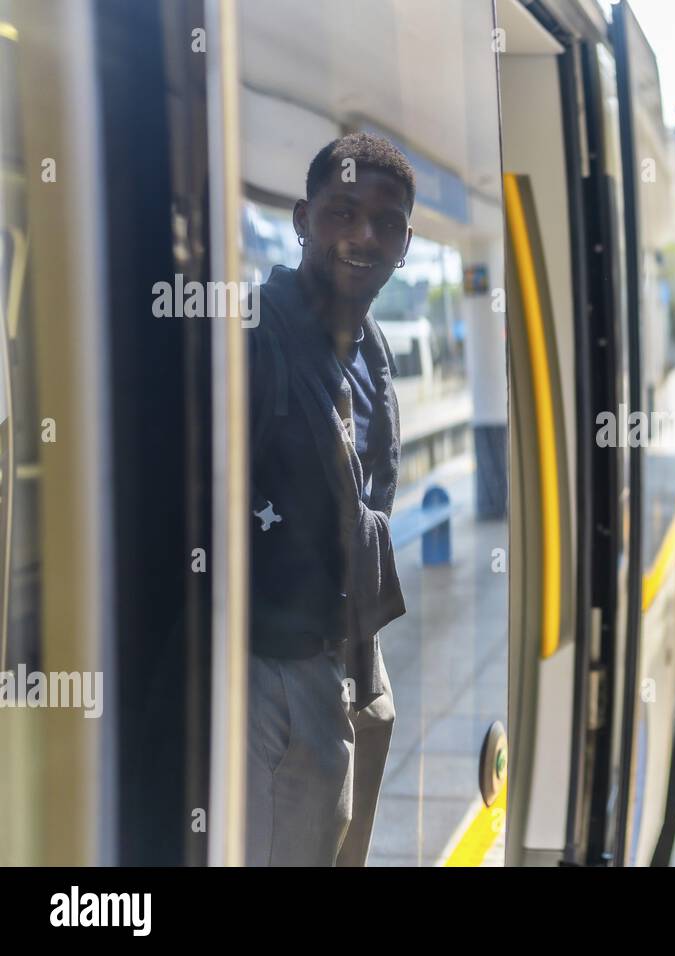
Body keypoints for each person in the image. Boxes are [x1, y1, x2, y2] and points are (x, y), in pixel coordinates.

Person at [244, 131, 412, 866]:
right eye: (342, 212)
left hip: (352, 663)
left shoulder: (371, 350)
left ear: (406, 243)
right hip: (271, 676)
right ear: (301, 218)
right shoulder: (250, 337)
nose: (364, 235)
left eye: (387, 221)